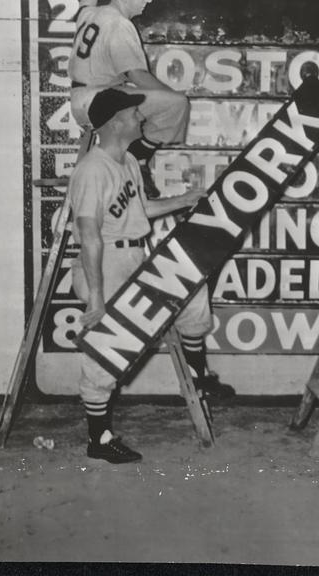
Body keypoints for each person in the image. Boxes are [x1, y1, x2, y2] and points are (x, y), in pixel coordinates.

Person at [70, 88, 235, 465]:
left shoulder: (125, 161)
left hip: (130, 253)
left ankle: (196, 374)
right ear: (115, 123)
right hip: (103, 263)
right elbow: (90, 236)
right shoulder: (92, 170)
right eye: (132, 114)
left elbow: (138, 207)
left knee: (191, 291)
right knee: (109, 346)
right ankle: (99, 437)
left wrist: (184, 199)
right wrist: (97, 296)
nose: (140, 118)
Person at [68, 0, 190, 198]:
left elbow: (84, 4)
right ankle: (135, 160)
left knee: (143, 102)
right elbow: (137, 76)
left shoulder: (92, 14)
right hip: (99, 103)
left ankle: (134, 157)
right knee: (177, 104)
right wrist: (171, 97)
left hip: (82, 101)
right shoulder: (120, 25)